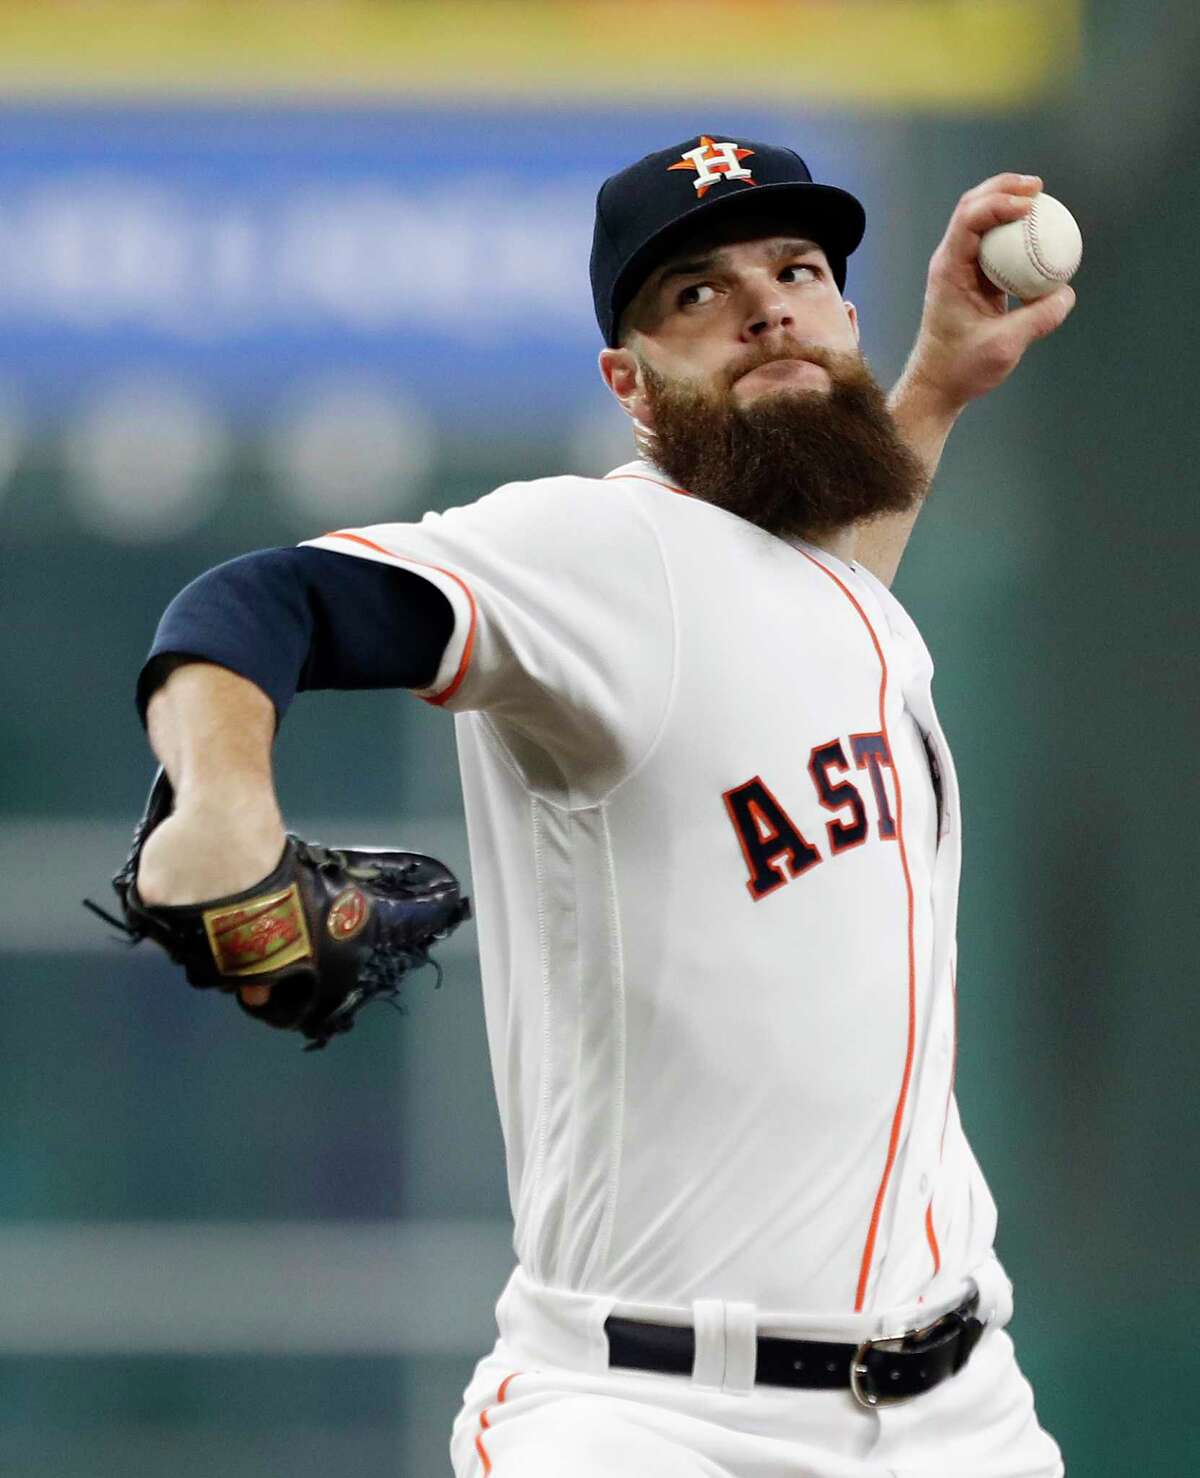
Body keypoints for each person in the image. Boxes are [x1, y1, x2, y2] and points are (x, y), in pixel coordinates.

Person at [135, 136, 1073, 1476]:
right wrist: (218, 800)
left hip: (957, 1409)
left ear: (847, 317)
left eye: (798, 268)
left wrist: (933, 386)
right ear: (628, 387)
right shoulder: (598, 553)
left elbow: (791, 618)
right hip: (655, 1414)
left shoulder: (830, 589)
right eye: (694, 293)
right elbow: (256, 603)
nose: (765, 303)